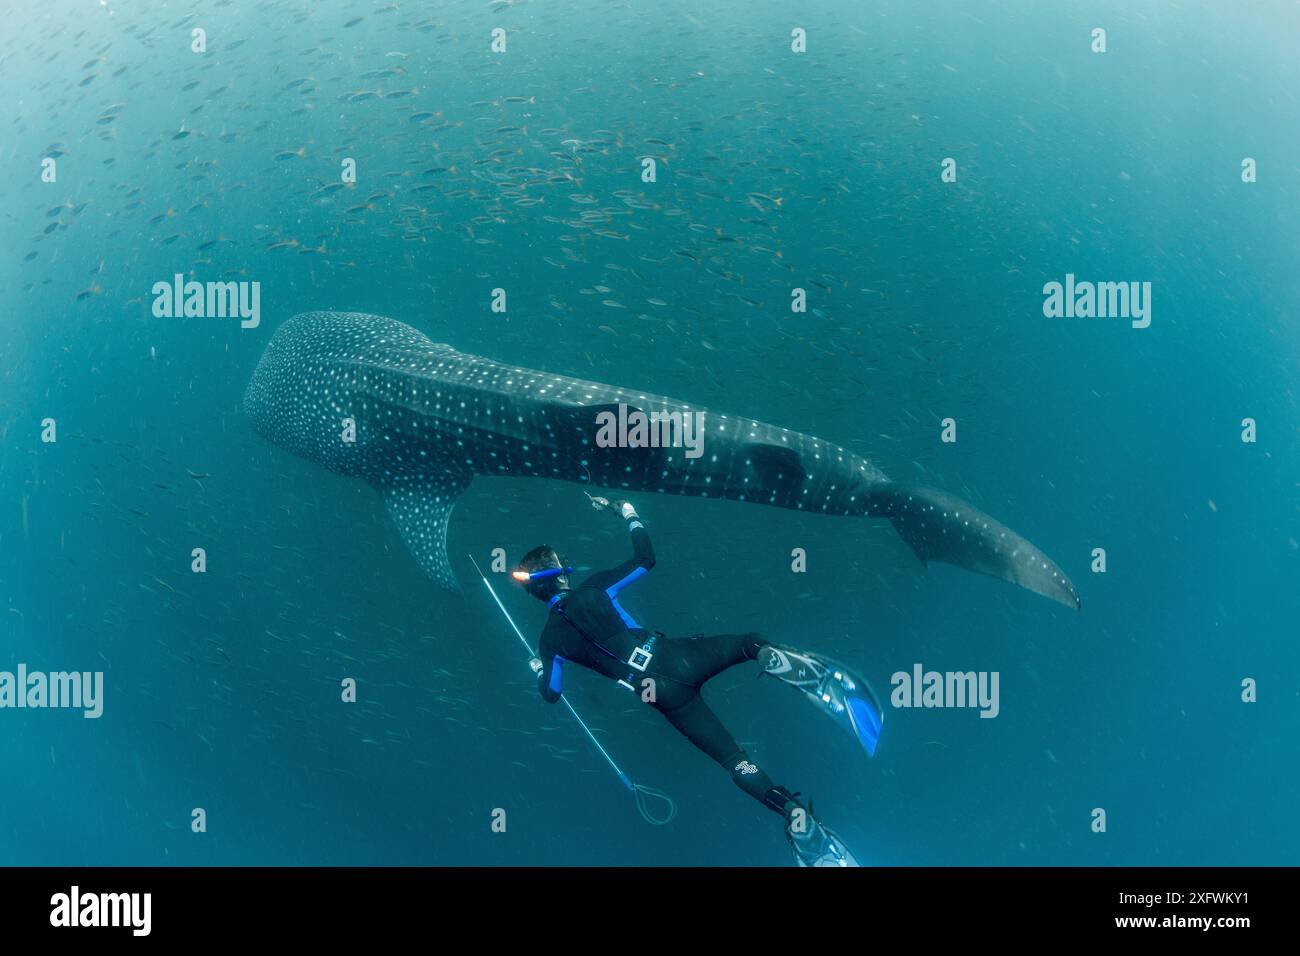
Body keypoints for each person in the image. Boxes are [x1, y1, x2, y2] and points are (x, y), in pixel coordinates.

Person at [513, 496, 882, 866]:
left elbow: (551, 694)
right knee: (747, 644)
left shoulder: (550, 641)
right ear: (560, 573)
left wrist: (538, 671)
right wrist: (628, 513)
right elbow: (646, 558)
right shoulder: (593, 590)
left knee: (735, 761)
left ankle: (790, 811)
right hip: (675, 657)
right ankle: (774, 658)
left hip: (660, 696)